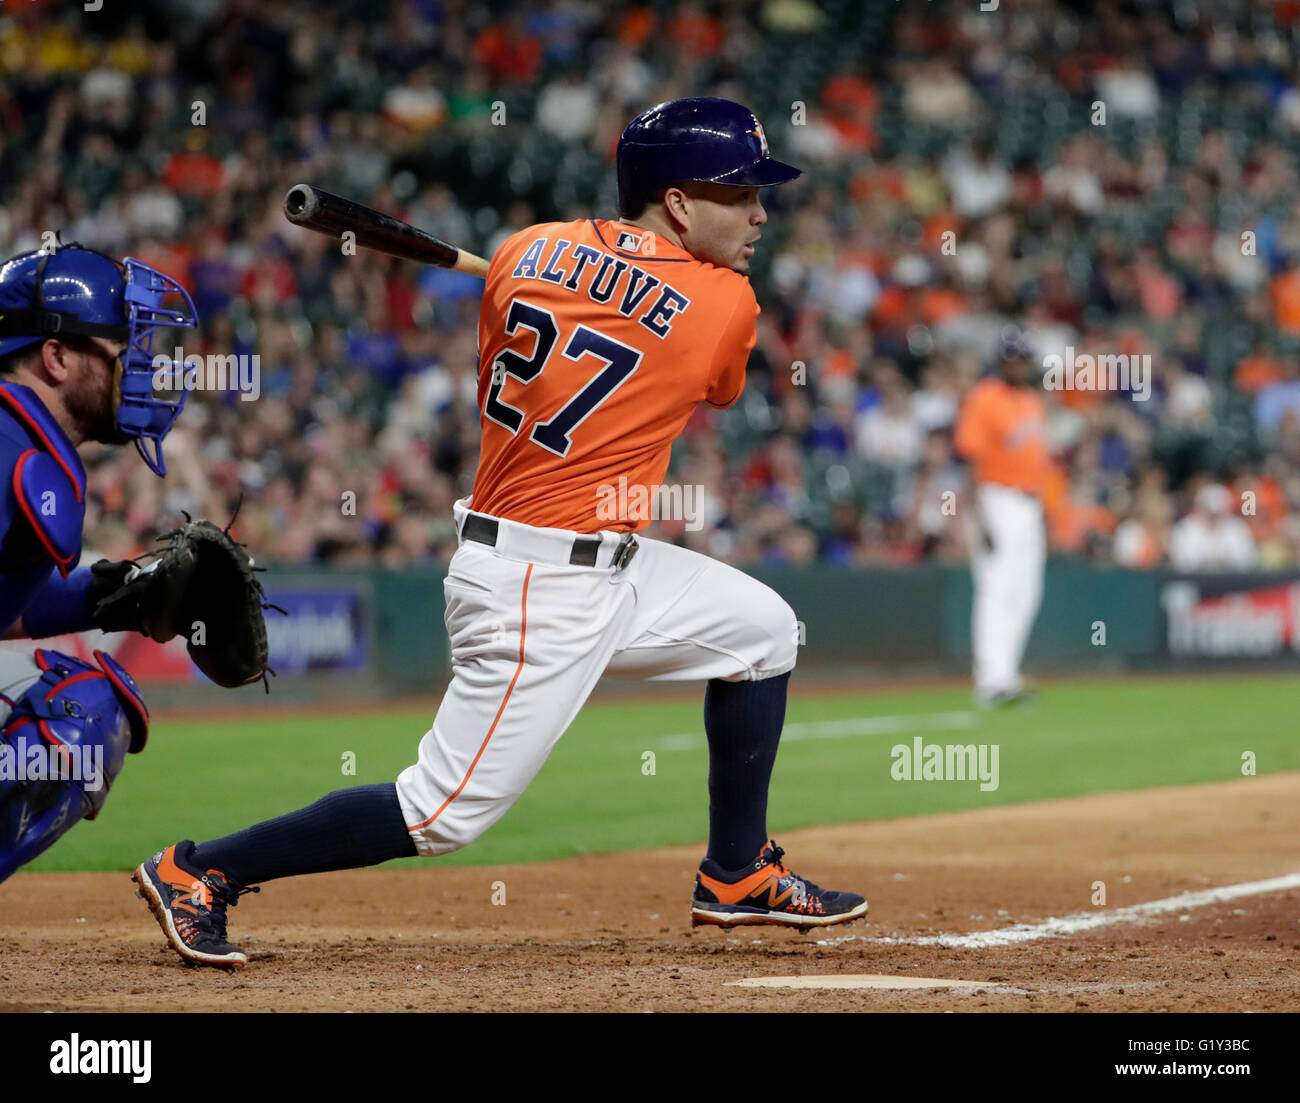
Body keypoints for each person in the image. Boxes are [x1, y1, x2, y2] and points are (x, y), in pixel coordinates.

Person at [133, 98, 869, 971]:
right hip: (536, 585)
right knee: (441, 812)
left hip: (607, 563)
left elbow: (572, 334)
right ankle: (202, 867)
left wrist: (603, 289)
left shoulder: (525, 249)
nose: (759, 214)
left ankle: (738, 872)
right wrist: (639, 299)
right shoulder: (725, 302)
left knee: (762, 631)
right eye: (742, 193)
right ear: (678, 202)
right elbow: (717, 391)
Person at [0, 242, 199, 881]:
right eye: (119, 352)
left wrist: (122, 591)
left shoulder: (25, 438)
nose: (134, 370)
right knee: (79, 715)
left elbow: (9, 608)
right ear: (56, 357)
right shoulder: (14, 447)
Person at [953, 330, 1051, 706]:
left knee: (1026, 592)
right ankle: (990, 679)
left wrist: (1042, 513)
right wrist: (979, 515)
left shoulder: (1030, 399)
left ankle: (1006, 674)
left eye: (1024, 358)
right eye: (1013, 358)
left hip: (1028, 503)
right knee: (996, 589)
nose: (1019, 364)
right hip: (995, 497)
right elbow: (970, 460)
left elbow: (1038, 463)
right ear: (1002, 360)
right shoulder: (985, 397)